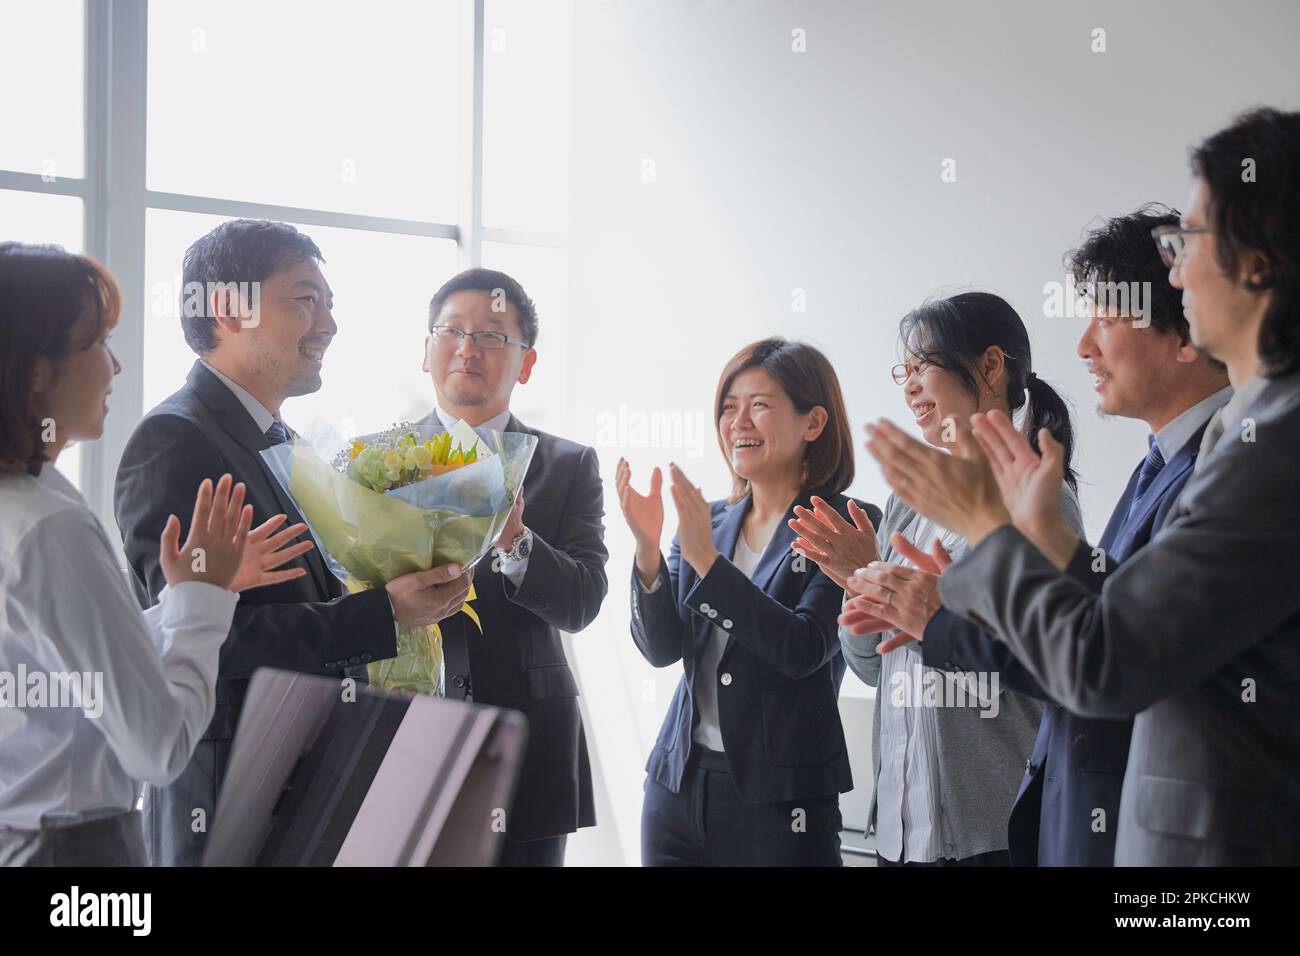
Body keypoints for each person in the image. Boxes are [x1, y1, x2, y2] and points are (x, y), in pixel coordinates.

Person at [863, 107, 1300, 865]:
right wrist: (1048, 546)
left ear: (1257, 261)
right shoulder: (1201, 451)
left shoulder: (1274, 445)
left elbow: (1108, 659)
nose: (1176, 267)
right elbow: (1124, 615)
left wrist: (992, 533)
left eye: (1187, 242)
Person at [114, 220, 474, 867]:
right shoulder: (174, 441)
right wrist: (386, 615)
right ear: (228, 309)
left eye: (330, 303)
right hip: (229, 806)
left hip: (311, 787)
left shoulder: (292, 444)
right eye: (307, 299)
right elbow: (186, 642)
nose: (329, 324)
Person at [0, 242, 306, 866]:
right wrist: (203, 602)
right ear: (36, 372)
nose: (115, 367)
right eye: (95, 344)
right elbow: (159, 748)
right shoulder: (50, 524)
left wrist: (190, 597)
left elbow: (77, 660)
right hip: (71, 851)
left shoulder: (28, 498)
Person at [804, 292, 1079, 866]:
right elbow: (874, 667)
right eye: (903, 372)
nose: (908, 387)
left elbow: (1042, 665)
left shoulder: (1037, 496)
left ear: (991, 365)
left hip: (991, 834)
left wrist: (936, 613)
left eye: (922, 365)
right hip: (901, 831)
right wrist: (860, 584)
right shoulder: (908, 504)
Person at [618, 338, 880, 866]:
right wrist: (648, 551)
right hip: (678, 786)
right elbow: (663, 648)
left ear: (813, 423)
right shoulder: (707, 521)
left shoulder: (848, 523)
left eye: (759, 405)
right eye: (729, 408)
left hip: (782, 803)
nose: (739, 422)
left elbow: (803, 649)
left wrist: (709, 565)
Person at [414, 268, 609, 867]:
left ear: (526, 363)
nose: (469, 348)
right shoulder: (372, 461)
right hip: (405, 739)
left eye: (493, 336)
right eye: (452, 331)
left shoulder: (568, 465)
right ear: (427, 352)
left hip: (527, 747)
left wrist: (517, 540)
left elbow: (582, 602)